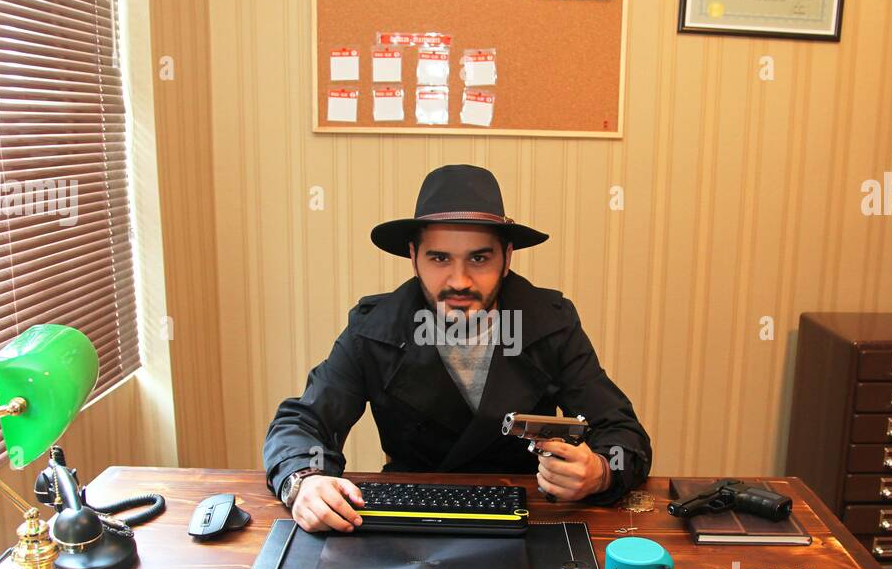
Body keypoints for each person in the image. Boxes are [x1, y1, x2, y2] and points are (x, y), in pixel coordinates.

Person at [263, 164, 652, 533]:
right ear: (414, 258)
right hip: (408, 513)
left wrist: (599, 470)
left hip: (527, 515)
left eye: (479, 258)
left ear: (506, 259)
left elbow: (621, 431)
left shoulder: (551, 323)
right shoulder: (375, 328)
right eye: (439, 258)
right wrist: (304, 481)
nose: (460, 280)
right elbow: (303, 422)